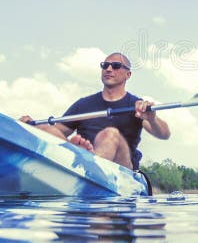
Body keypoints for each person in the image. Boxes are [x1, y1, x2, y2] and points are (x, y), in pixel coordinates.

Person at [20, 52, 170, 170]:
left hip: (122, 171)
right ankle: (83, 160)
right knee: (45, 129)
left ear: (128, 74)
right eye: (105, 65)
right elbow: (56, 132)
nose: (109, 69)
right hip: (82, 162)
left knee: (110, 134)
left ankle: (90, 163)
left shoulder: (136, 105)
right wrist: (29, 127)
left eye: (116, 66)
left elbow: (164, 134)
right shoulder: (83, 105)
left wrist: (151, 118)